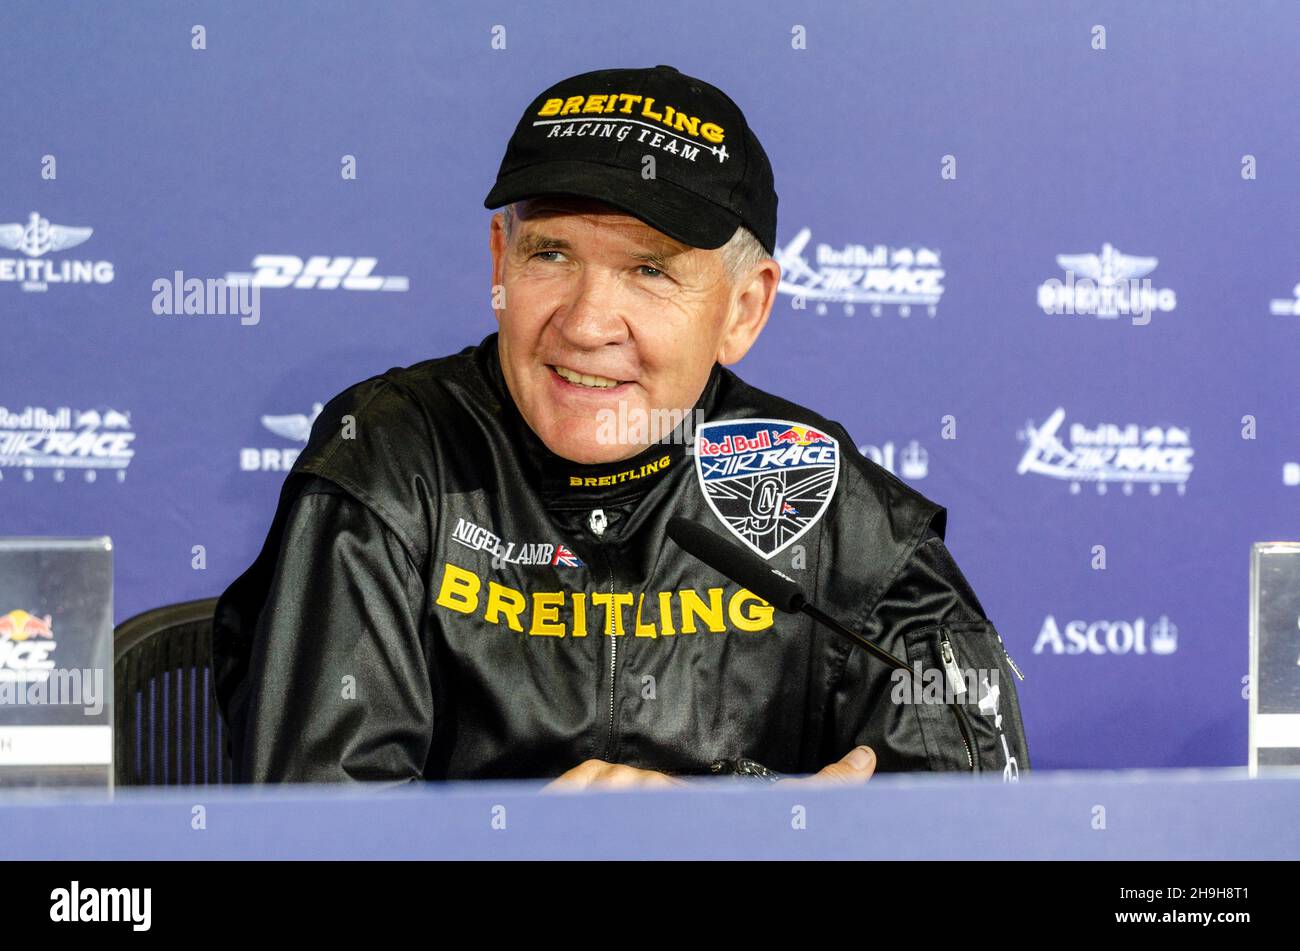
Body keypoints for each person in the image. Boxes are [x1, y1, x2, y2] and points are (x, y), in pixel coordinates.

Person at [211, 64, 1030, 788]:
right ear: (500, 262)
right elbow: (313, 831)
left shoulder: (823, 498)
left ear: (744, 309)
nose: (587, 323)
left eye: (649, 270)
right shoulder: (386, 462)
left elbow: (985, 818)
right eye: (552, 255)